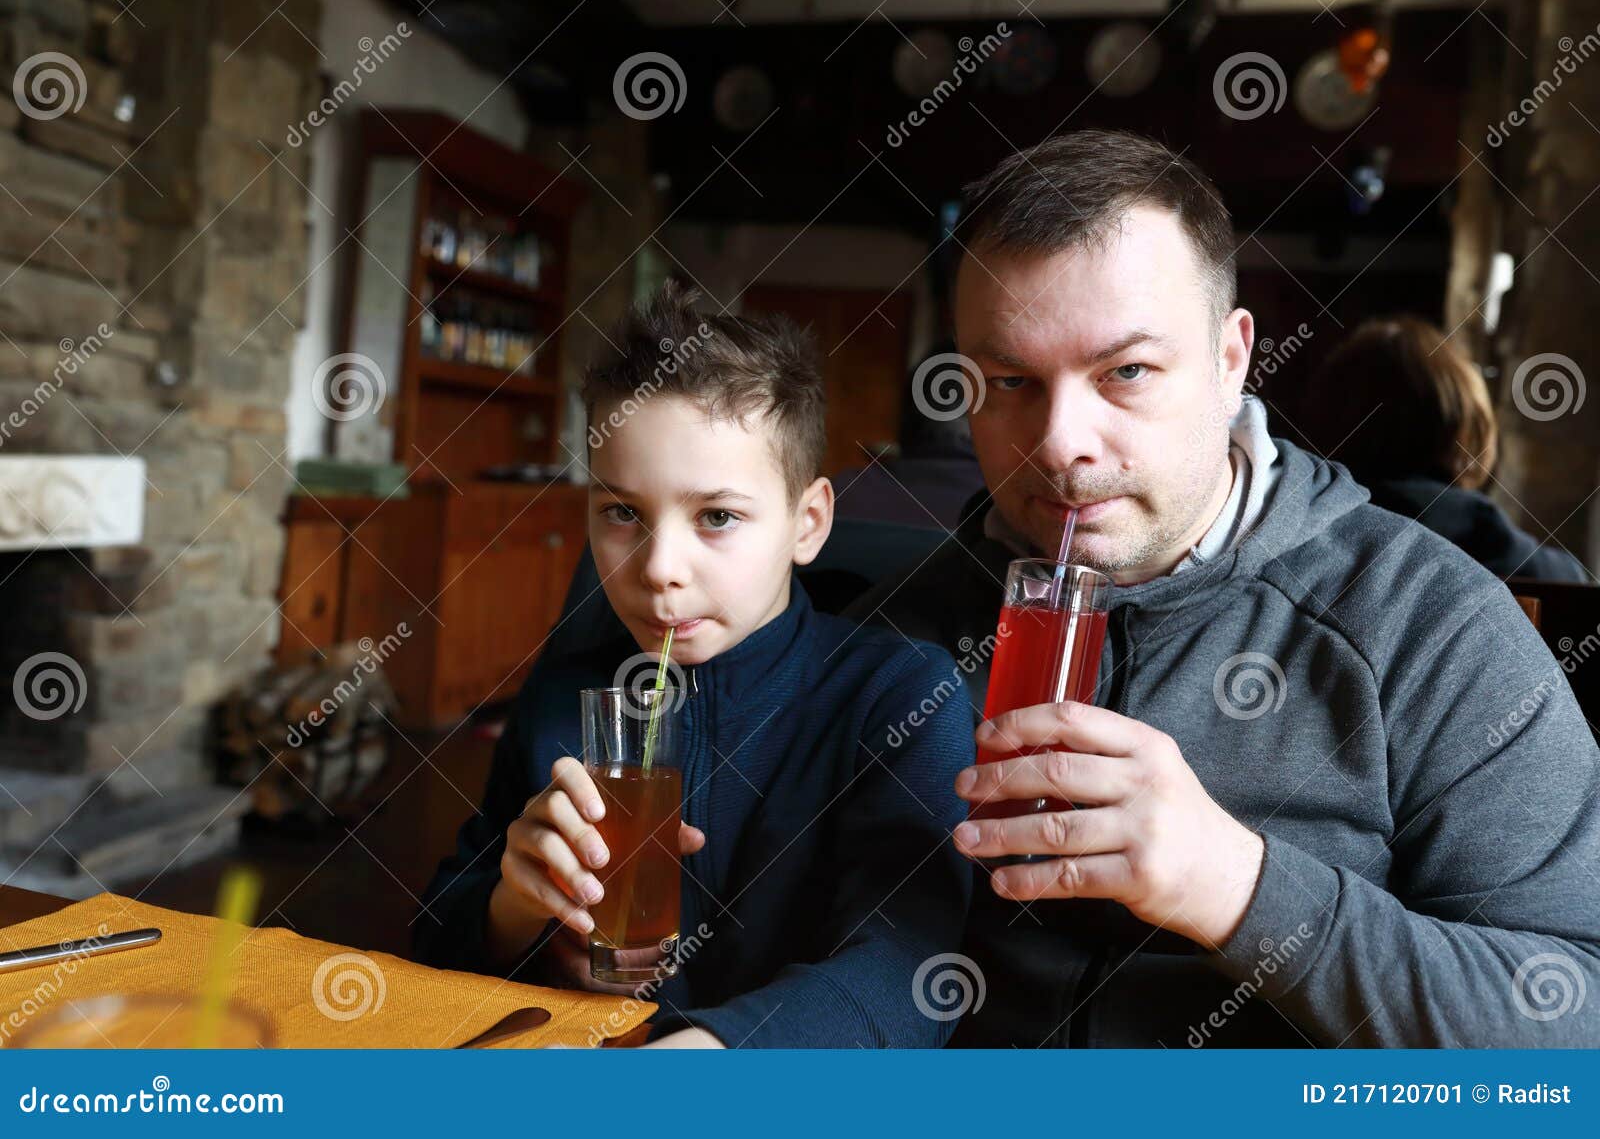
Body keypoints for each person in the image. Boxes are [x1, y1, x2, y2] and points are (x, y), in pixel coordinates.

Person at [849, 129, 1600, 1047]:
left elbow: (1574, 1022)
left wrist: (1237, 885)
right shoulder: (890, 632)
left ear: (1232, 357)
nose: (1059, 443)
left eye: (1125, 372)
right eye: (1010, 381)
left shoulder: (1433, 626)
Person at [414, 284, 973, 1048]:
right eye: (622, 513)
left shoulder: (899, 694)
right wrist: (517, 907)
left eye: (716, 516)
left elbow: (908, 970)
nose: (659, 569)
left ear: (807, 522)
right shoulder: (567, 688)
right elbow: (432, 939)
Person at [1289, 314, 1588, 582]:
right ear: (1465, 419)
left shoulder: (1298, 534)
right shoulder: (1493, 542)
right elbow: (1569, 586)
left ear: (1325, 415)